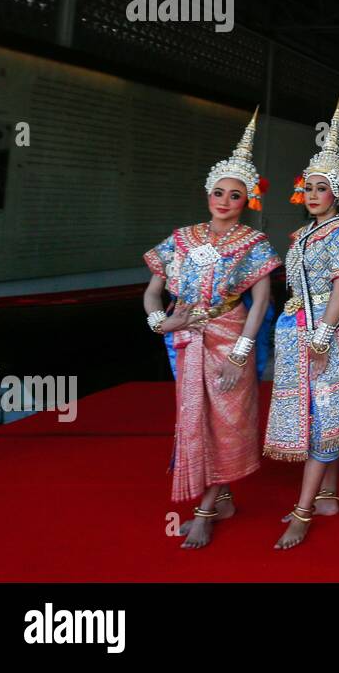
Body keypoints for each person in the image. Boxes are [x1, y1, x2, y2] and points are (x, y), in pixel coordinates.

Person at [142, 108, 279, 550]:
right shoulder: (181, 238)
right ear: (207, 193)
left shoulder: (254, 244)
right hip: (185, 337)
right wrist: (161, 321)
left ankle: (204, 510)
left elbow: (261, 302)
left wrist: (242, 351)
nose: (223, 201)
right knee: (195, 418)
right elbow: (152, 291)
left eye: (234, 196)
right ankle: (219, 500)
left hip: (230, 333)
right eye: (217, 192)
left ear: (247, 201)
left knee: (229, 420)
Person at [264, 97, 339, 550]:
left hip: (323, 331)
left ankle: (303, 511)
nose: (311, 194)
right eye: (308, 186)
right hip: (294, 329)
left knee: (323, 415)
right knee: (309, 412)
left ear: (337, 193)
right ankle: (326, 495)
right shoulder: (303, 235)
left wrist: (323, 337)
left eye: (320, 188)